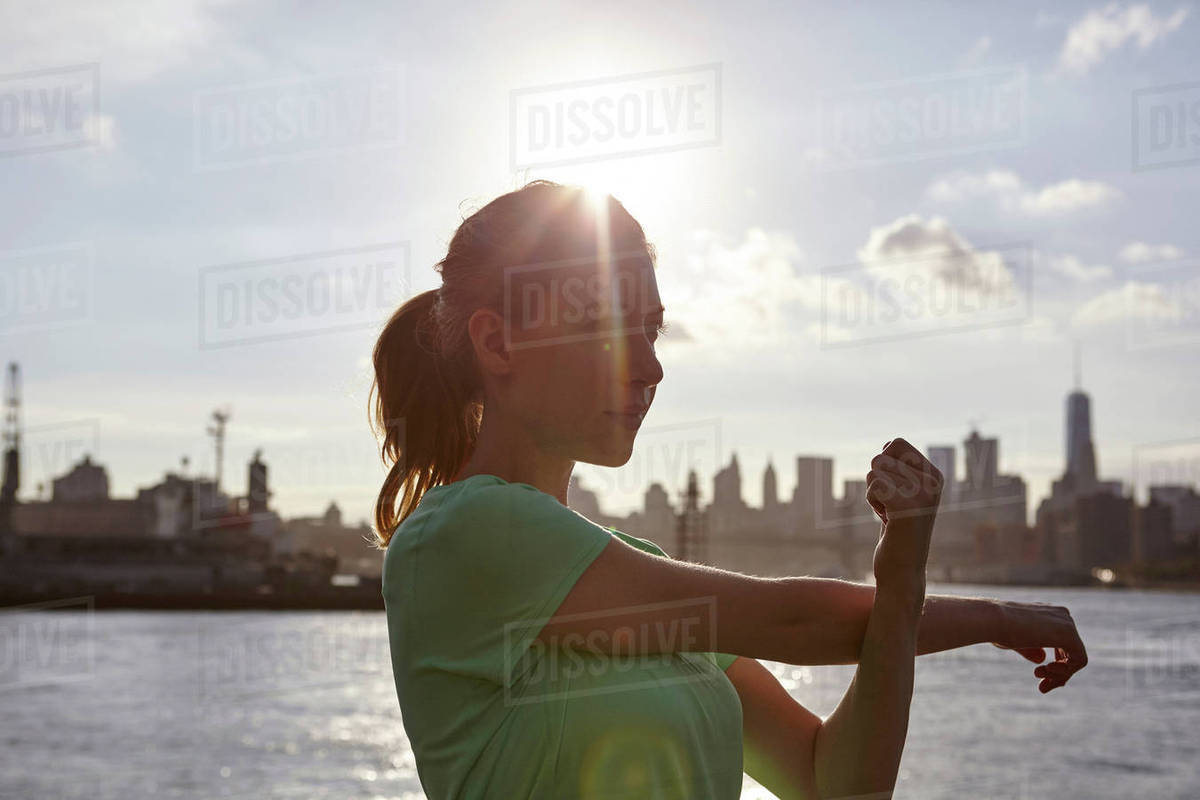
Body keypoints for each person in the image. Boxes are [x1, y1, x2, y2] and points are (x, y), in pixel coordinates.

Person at [369, 180, 1088, 799]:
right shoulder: (466, 530)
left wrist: (903, 575)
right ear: (497, 344)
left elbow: (831, 779)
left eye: (651, 330)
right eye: (605, 328)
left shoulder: (621, 572)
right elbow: (793, 622)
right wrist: (993, 617)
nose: (649, 368)